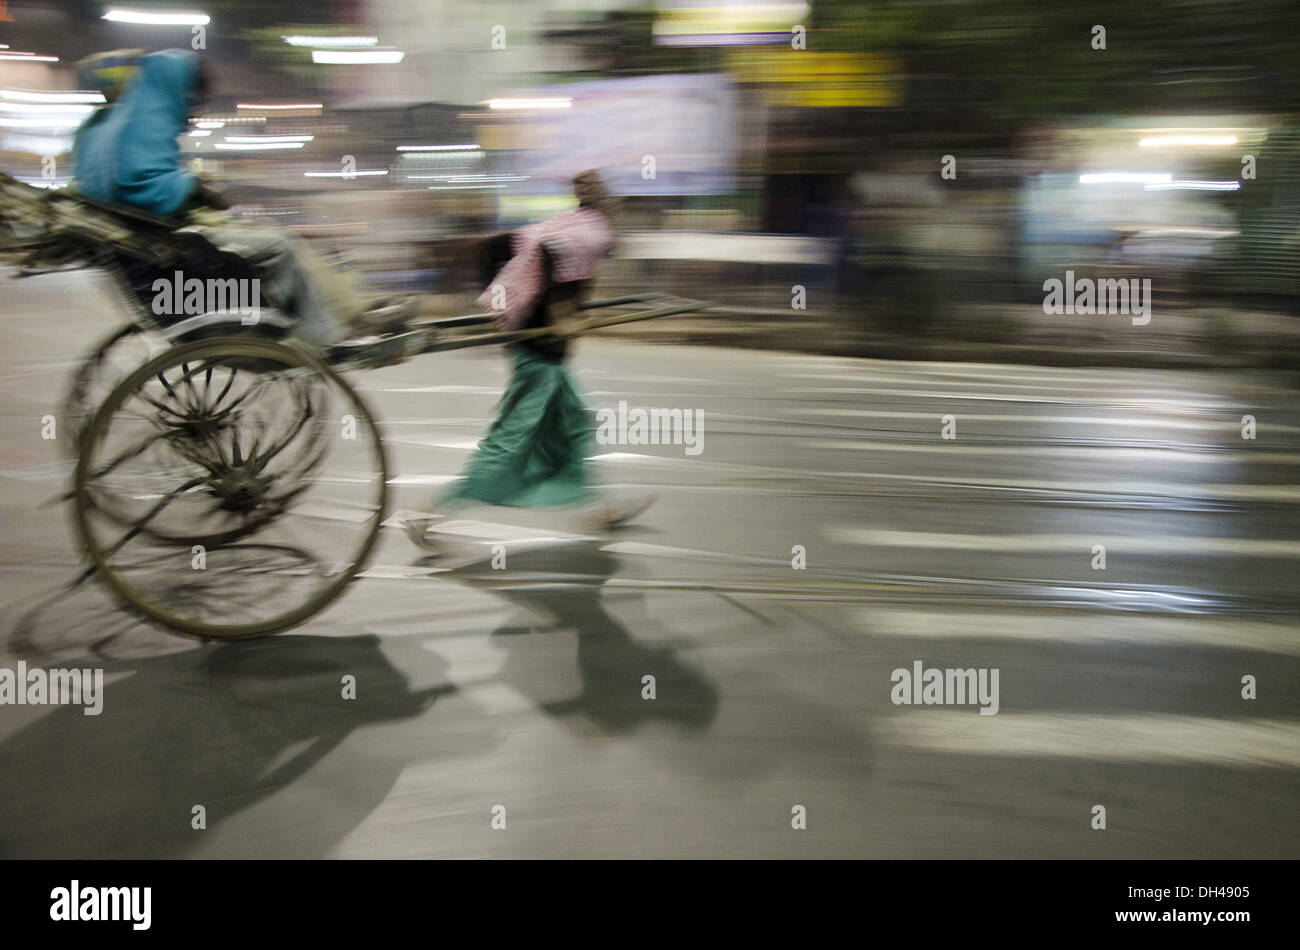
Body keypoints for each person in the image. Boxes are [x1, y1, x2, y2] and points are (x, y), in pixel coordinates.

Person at [401, 170, 652, 554]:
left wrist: (549, 311)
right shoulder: (590, 232)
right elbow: (553, 263)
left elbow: (504, 248)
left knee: (574, 423)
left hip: (542, 350)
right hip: (538, 354)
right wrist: (561, 311)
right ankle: (430, 512)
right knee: (508, 443)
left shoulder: (571, 224)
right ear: (608, 207)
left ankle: (601, 510)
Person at [71, 48, 382, 350]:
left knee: (269, 236)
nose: (192, 109)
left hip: (149, 245)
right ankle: (328, 337)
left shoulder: (100, 125)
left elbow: (131, 181)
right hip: (166, 247)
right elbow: (143, 186)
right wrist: (196, 187)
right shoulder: (138, 123)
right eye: (191, 97)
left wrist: (193, 189)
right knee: (280, 246)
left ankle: (353, 310)